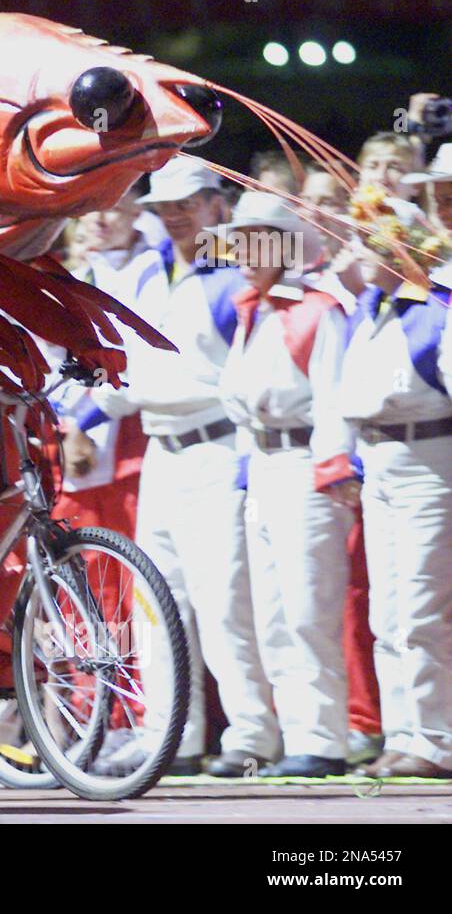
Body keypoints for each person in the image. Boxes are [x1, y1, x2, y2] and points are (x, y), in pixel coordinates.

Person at [67, 157, 278, 776]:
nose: (176, 217)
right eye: (166, 208)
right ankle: (172, 739)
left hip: (219, 447)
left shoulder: (235, 276)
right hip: (164, 449)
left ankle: (250, 736)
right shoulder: (152, 273)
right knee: (158, 600)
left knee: (223, 602)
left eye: (188, 205)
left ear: (218, 207)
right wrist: (84, 419)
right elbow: (130, 372)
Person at [214, 193, 355, 778]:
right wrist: (247, 474)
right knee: (270, 613)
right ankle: (289, 736)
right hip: (266, 468)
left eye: (252, 241)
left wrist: (332, 473)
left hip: (305, 468)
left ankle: (321, 738)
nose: (238, 254)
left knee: (305, 608)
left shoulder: (318, 310)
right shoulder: (254, 309)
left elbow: (332, 400)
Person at [339, 238, 452, 779]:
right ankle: (404, 733)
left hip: (429, 459)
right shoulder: (370, 311)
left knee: (422, 609)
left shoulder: (436, 310)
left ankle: (437, 739)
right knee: (387, 612)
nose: (357, 254)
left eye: (370, 245)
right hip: (379, 458)